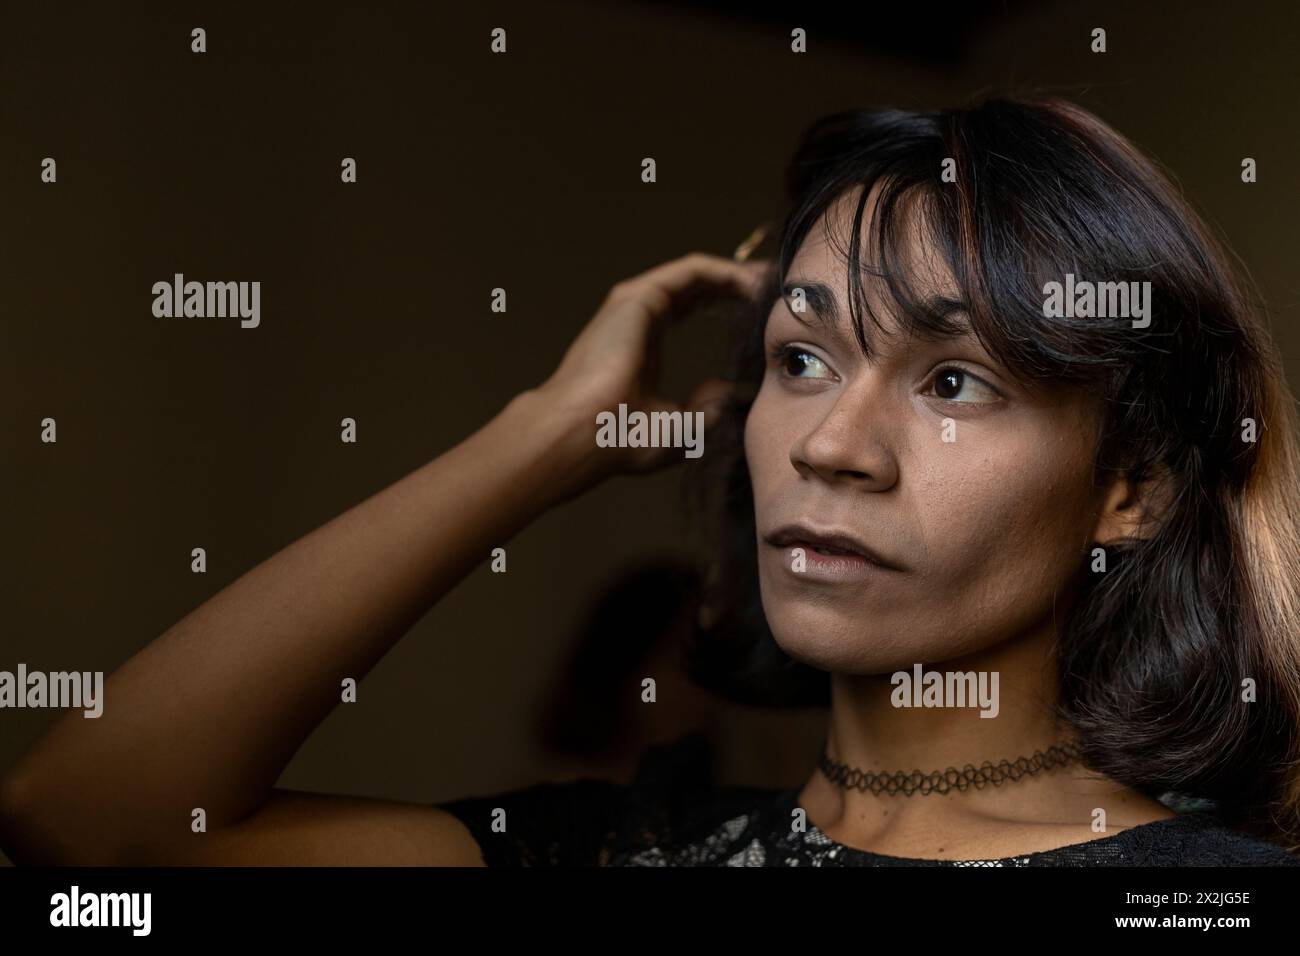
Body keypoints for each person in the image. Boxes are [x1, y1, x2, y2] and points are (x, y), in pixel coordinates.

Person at [3, 95, 1299, 867]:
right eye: (800, 357)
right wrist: (544, 437)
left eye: (955, 382)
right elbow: (79, 825)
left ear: (1133, 484)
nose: (830, 444)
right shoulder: (630, 847)